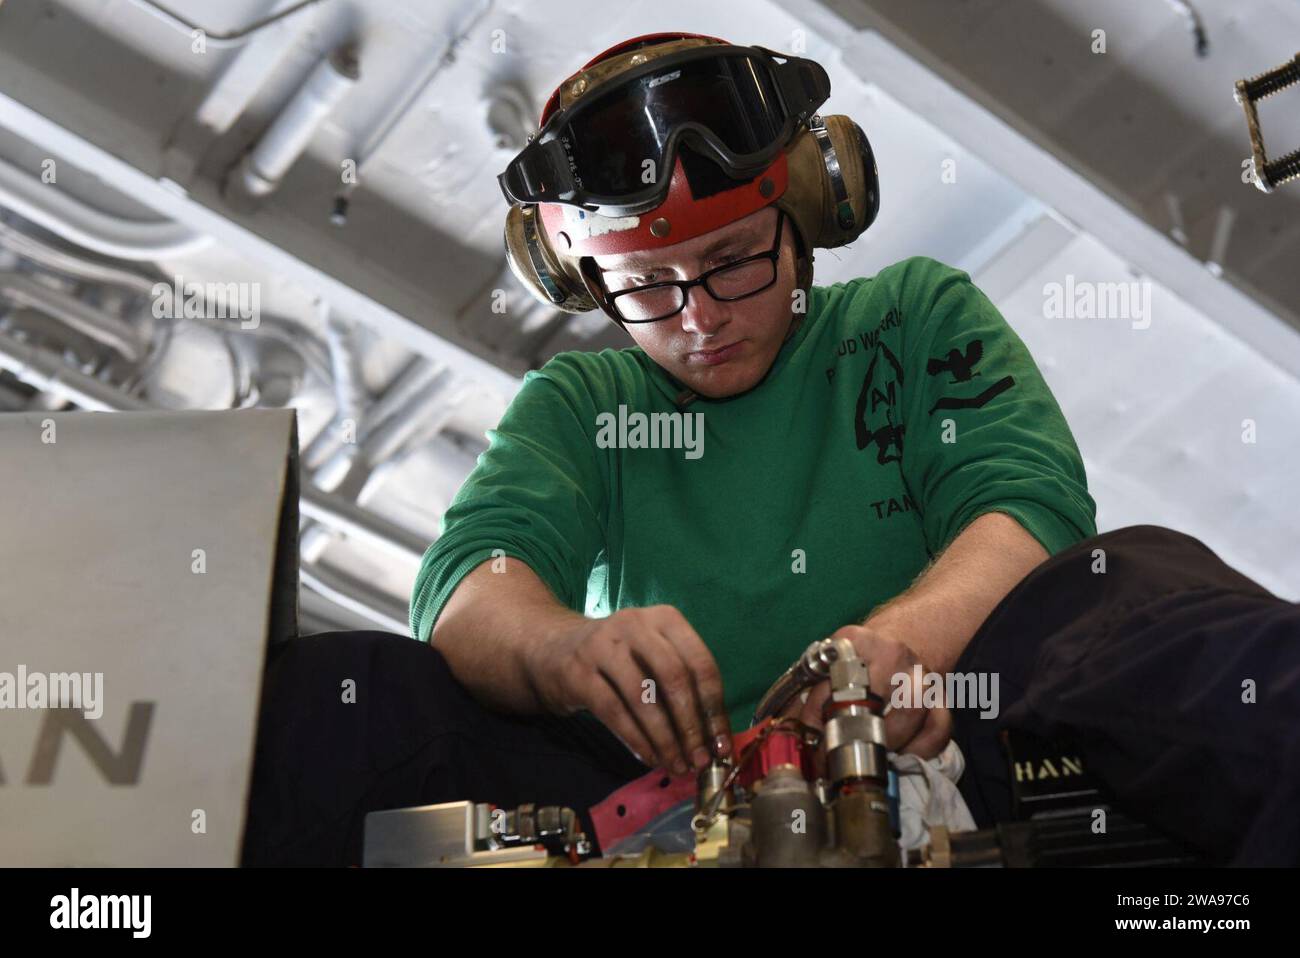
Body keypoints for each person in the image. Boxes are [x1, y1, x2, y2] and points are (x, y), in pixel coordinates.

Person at [241, 32, 1299, 867]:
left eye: (733, 260)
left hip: (950, 755)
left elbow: (1023, 506)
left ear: (807, 207)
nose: (697, 316)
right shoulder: (582, 401)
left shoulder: (909, 314)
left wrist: (888, 651)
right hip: (647, 809)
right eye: (646, 286)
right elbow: (474, 581)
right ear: (581, 283)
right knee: (354, 699)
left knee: (1127, 592)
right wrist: (564, 650)